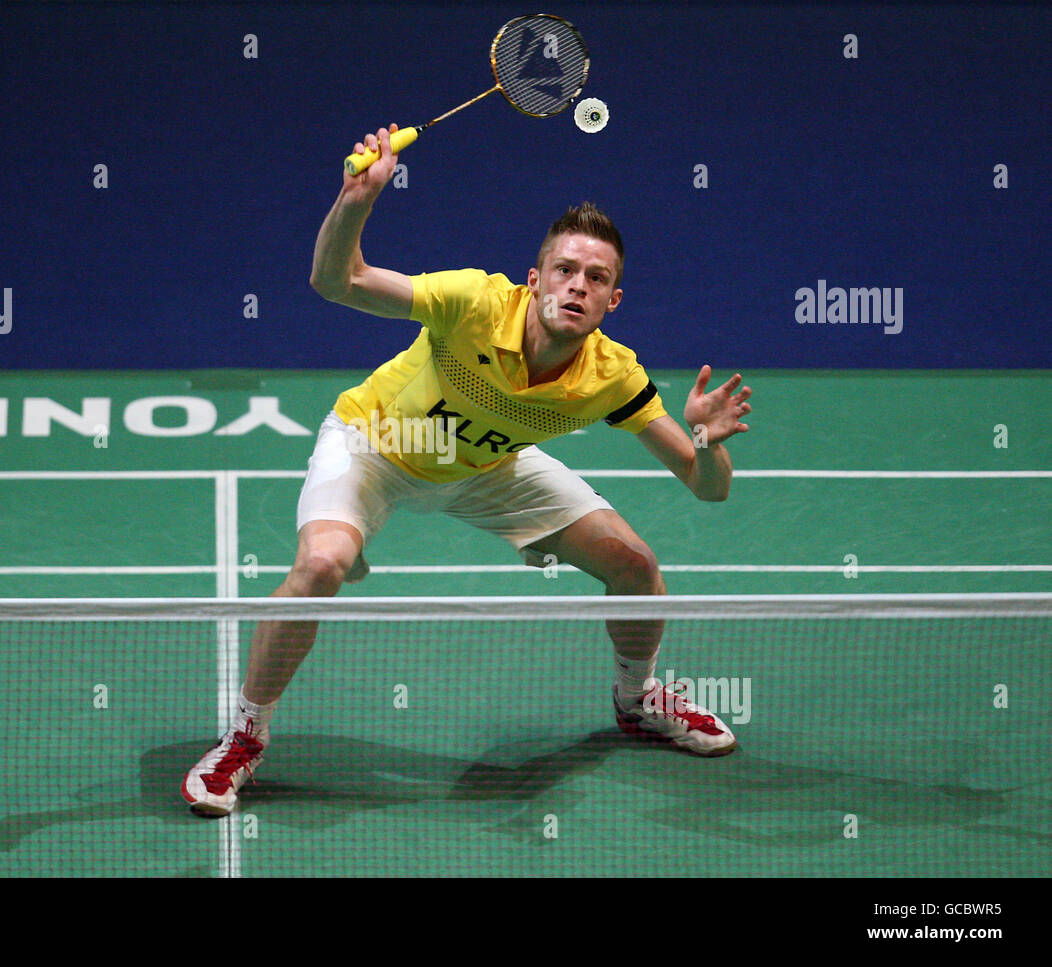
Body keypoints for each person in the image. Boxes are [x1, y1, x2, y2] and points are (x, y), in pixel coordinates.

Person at [182, 124, 753, 817]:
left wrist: (708, 438)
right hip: (378, 443)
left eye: (596, 278)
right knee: (323, 567)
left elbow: (706, 485)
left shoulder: (612, 373)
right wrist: (357, 201)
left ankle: (636, 701)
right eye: (566, 270)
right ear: (534, 279)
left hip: (489, 467)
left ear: (613, 302)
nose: (578, 286)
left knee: (635, 565)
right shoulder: (475, 303)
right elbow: (338, 281)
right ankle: (246, 733)